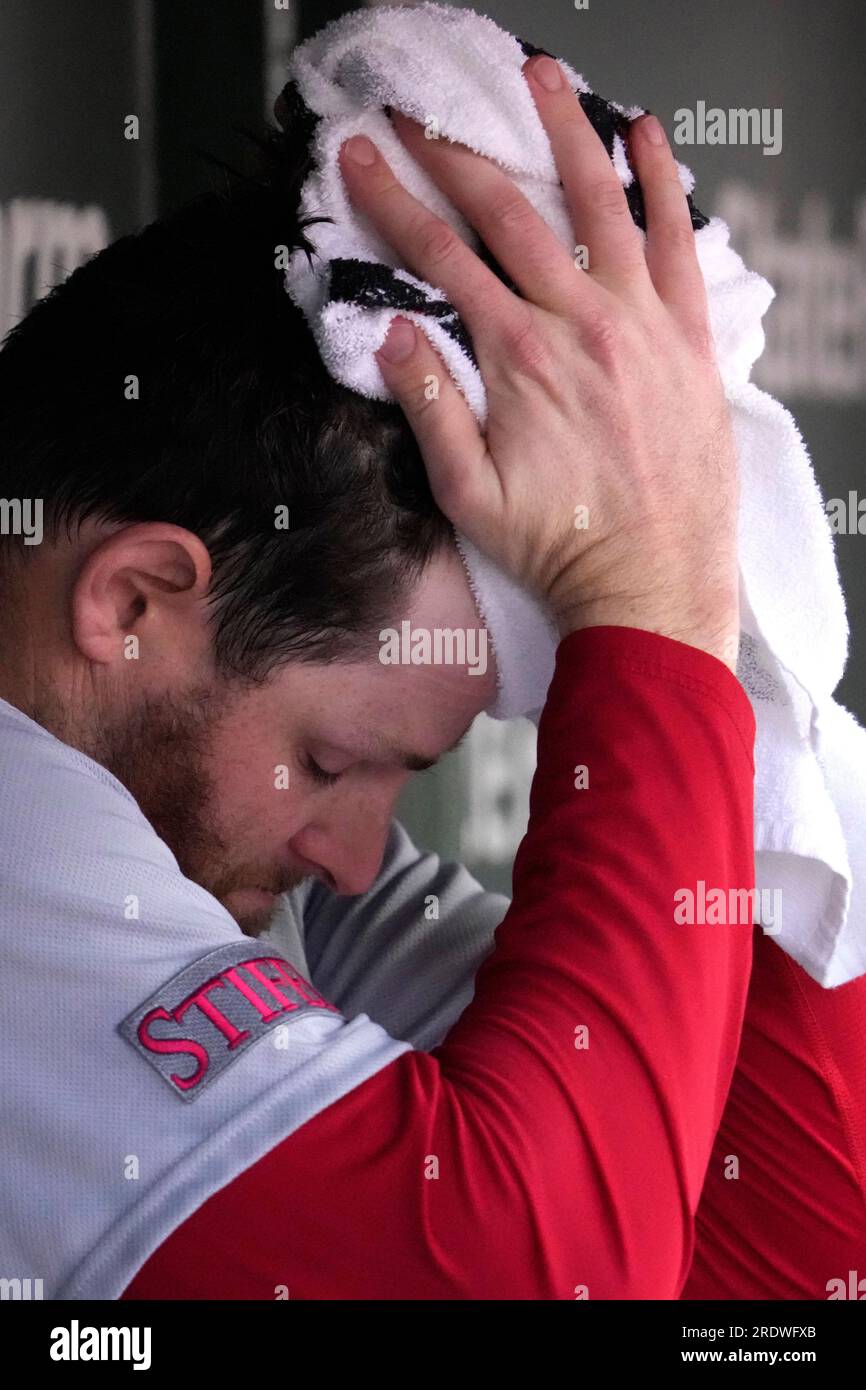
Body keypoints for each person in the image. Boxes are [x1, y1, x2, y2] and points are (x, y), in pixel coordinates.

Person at [0, 52, 857, 1301]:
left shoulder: (218, 831)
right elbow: (548, 1283)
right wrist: (648, 617)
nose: (358, 854)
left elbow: (775, 1248)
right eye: (339, 761)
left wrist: (680, 556)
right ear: (134, 602)